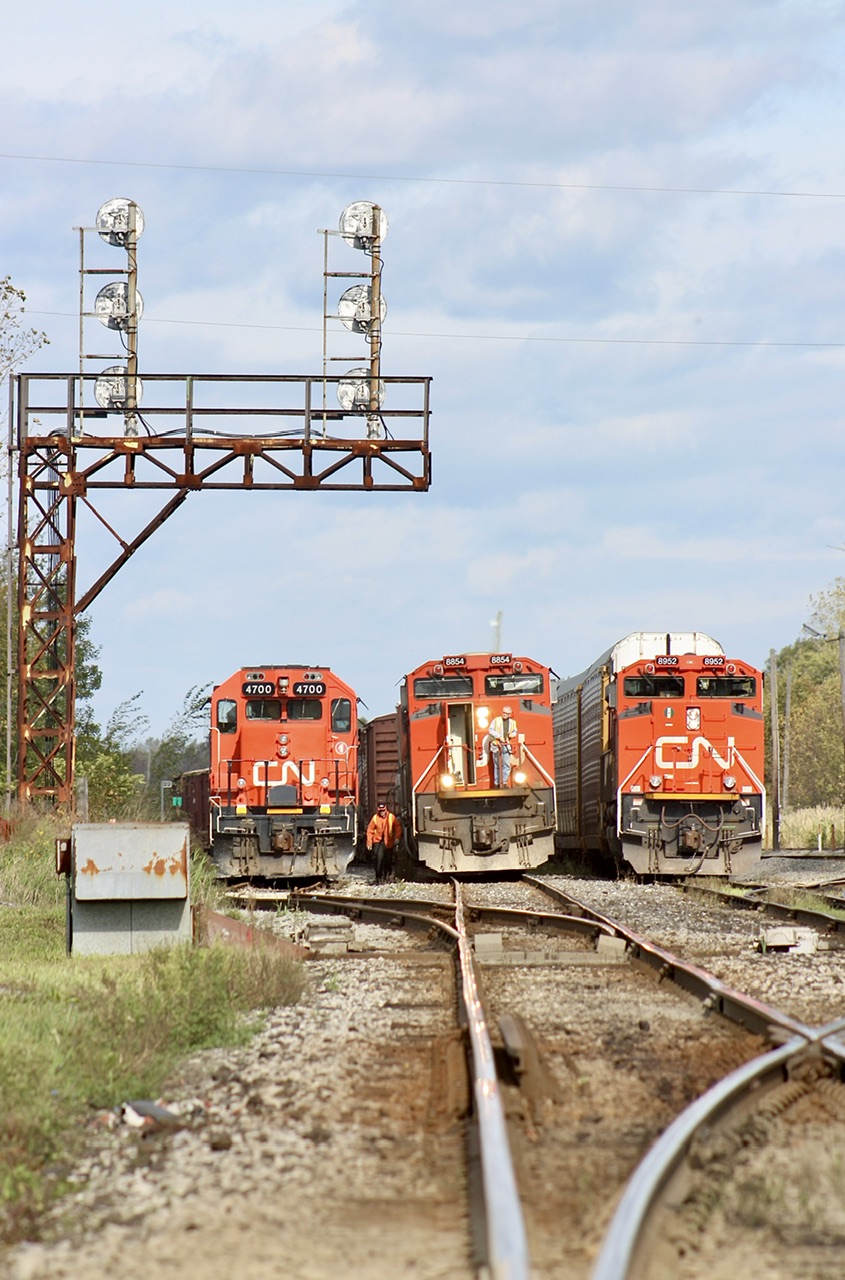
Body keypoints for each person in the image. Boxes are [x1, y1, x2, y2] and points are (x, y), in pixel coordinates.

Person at [367, 801, 402, 883]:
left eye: (383, 810)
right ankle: (378, 877)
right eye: (380, 811)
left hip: (389, 842)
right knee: (378, 859)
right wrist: (369, 843)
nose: (382, 812)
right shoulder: (375, 818)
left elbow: (398, 828)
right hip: (378, 842)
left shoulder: (391, 817)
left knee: (388, 860)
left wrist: (397, 838)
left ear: (386, 809)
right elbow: (369, 830)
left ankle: (387, 876)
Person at [488, 705, 518, 787]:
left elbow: (515, 731)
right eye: (503, 712)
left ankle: (504, 782)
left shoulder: (513, 722)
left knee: (507, 765)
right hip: (496, 745)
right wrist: (499, 736)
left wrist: (512, 734)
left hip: (506, 745)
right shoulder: (496, 720)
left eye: (506, 713)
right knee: (497, 765)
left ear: (510, 714)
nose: (504, 714)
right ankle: (497, 783)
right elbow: (490, 730)